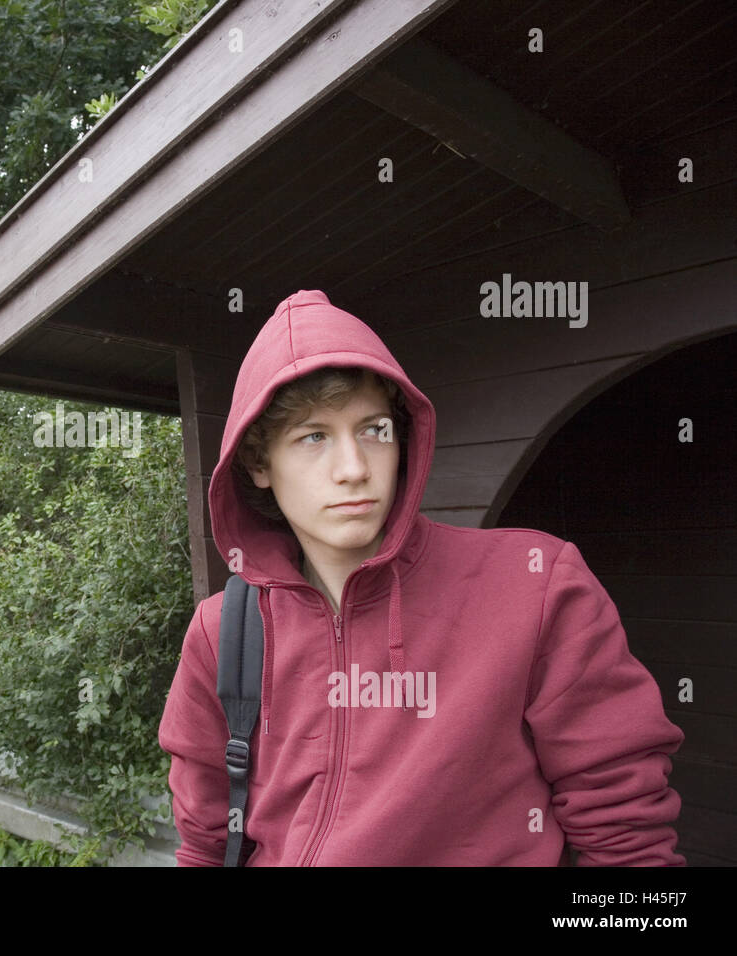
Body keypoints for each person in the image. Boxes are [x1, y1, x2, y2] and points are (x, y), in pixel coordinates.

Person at [157, 289, 685, 866]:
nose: (354, 468)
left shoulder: (535, 585)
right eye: (314, 437)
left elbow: (627, 839)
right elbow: (206, 844)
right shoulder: (222, 631)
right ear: (259, 464)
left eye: (374, 430)